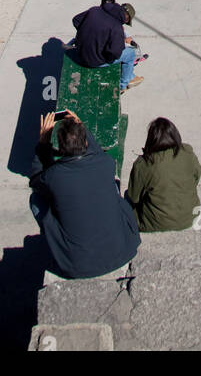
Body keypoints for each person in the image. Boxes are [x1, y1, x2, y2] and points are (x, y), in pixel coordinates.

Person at [30, 110, 141, 278]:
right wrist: (82, 127)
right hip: (123, 251)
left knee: (36, 199)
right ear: (86, 142)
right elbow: (96, 152)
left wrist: (43, 142)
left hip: (78, 265)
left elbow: (35, 181)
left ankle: (53, 238)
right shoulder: (106, 164)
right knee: (113, 186)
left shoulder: (53, 176)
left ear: (60, 147)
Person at [126, 119, 201, 232]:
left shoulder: (143, 164)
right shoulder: (187, 152)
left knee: (126, 199)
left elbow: (134, 197)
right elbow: (197, 176)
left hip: (156, 224)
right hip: (191, 216)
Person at [70, 0, 144, 91]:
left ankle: (131, 76)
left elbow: (76, 20)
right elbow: (114, 53)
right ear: (126, 19)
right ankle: (123, 84)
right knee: (130, 54)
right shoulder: (116, 28)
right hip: (92, 61)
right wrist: (120, 42)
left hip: (79, 52)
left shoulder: (94, 10)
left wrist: (87, 34)